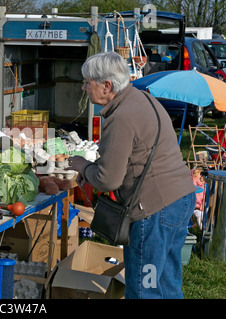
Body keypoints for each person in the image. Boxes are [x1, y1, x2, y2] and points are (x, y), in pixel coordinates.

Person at [65, 51, 196, 299]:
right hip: (179, 198)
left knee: (144, 288)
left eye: (87, 82)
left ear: (106, 85)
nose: (84, 88)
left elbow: (108, 179)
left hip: (154, 208)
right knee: (166, 283)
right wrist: (93, 170)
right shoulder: (141, 99)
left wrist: (83, 167)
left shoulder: (121, 116)